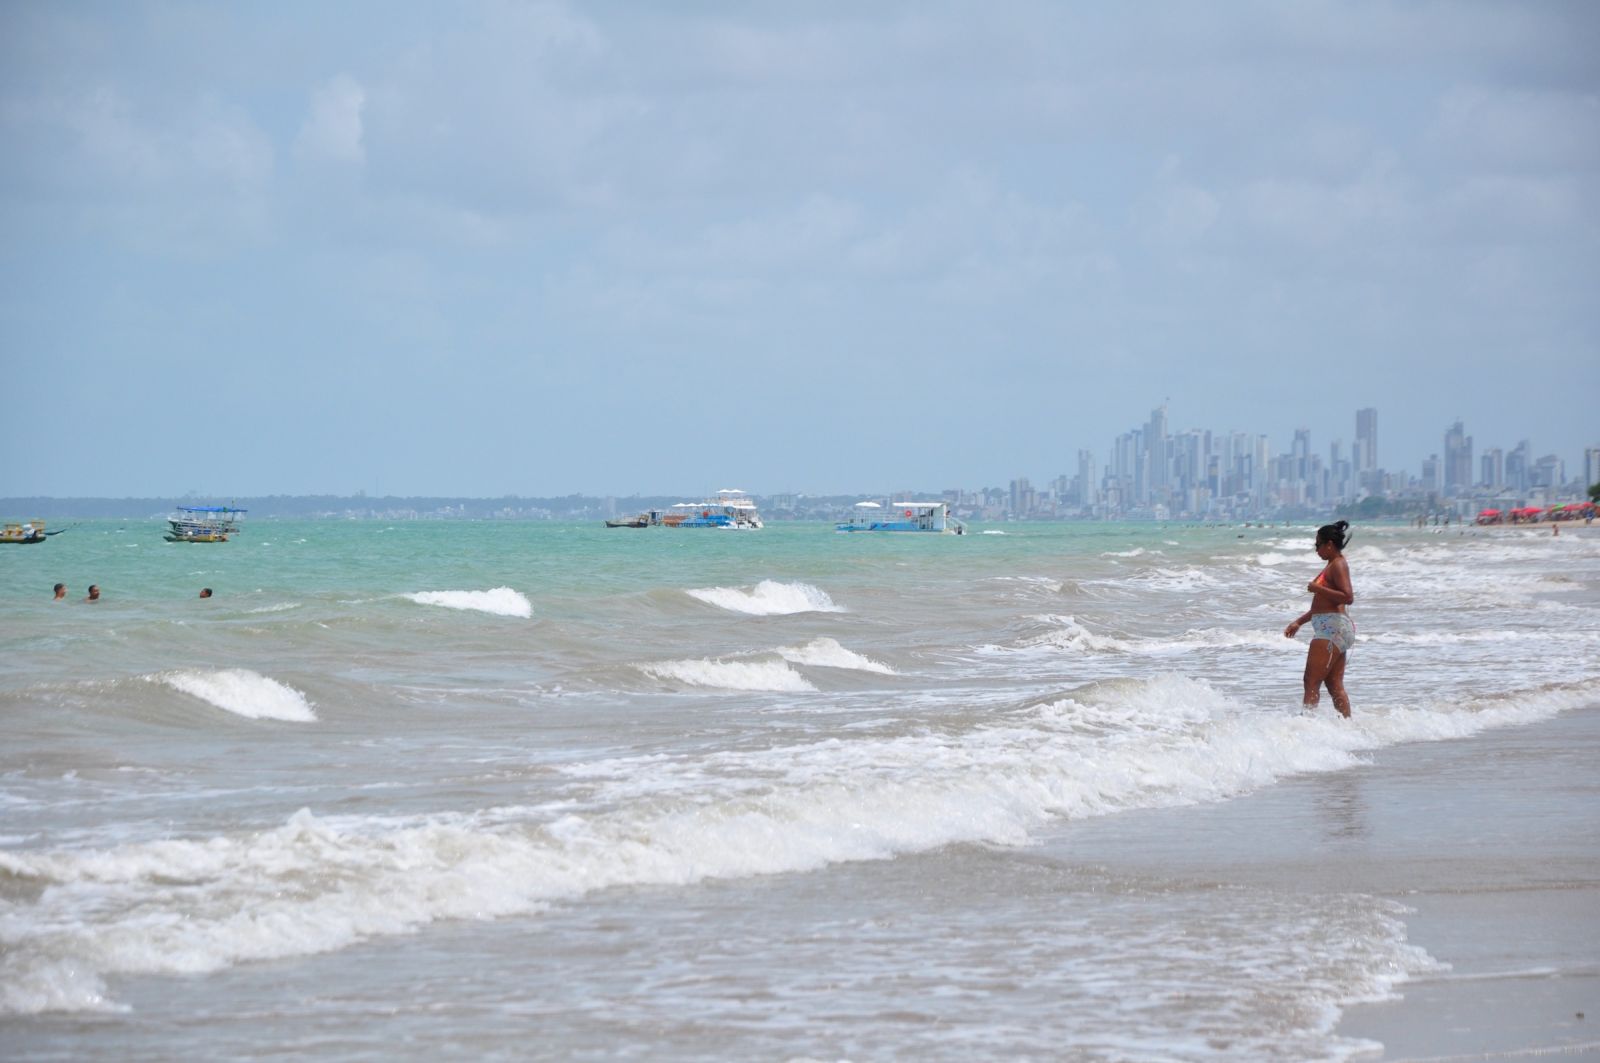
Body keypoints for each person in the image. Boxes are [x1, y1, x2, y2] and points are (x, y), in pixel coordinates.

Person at [1284, 520, 1355, 717]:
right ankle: (1348, 726)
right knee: (1334, 684)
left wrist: (1317, 588)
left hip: (1331, 629)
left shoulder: (1338, 565)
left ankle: (1307, 725)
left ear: (1329, 545)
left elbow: (1348, 597)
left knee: (1311, 681)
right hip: (1336, 627)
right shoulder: (1333, 564)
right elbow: (1322, 605)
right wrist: (1299, 621)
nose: (1316, 550)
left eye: (1318, 545)